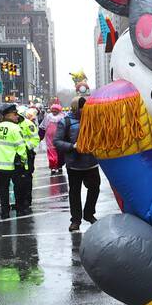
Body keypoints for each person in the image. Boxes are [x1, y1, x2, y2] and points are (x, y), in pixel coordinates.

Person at [54, 96, 101, 232]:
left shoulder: (93, 120)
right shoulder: (66, 121)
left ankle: (89, 214)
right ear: (76, 108)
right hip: (74, 164)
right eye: (82, 107)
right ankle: (76, 220)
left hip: (91, 162)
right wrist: (73, 146)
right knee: (75, 192)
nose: (84, 110)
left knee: (94, 188)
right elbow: (57, 141)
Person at [0, 104, 28, 218]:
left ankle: (4, 212)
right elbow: (21, 147)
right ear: (8, 115)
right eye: (15, 114)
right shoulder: (15, 128)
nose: (17, 117)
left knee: (3, 190)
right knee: (18, 188)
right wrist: (24, 163)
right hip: (13, 164)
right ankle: (20, 209)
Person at [42, 101, 64, 172]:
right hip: (49, 138)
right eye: (53, 110)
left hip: (60, 136)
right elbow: (43, 126)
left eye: (55, 110)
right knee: (51, 151)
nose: (54, 112)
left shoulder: (62, 117)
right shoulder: (48, 116)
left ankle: (59, 165)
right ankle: (53, 166)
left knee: (60, 152)